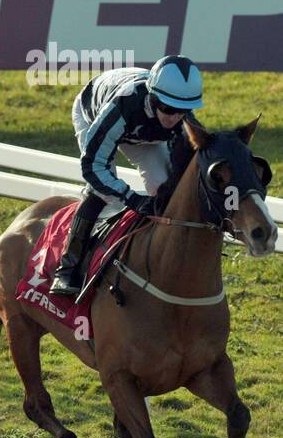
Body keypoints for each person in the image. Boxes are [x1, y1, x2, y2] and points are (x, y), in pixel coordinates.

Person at [48, 55, 205, 297]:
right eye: (168, 109)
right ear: (152, 98)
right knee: (101, 192)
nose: (175, 117)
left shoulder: (181, 119)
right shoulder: (123, 106)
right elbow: (93, 165)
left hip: (143, 134)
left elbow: (189, 169)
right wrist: (131, 197)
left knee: (163, 187)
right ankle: (68, 268)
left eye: (183, 111)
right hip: (93, 115)